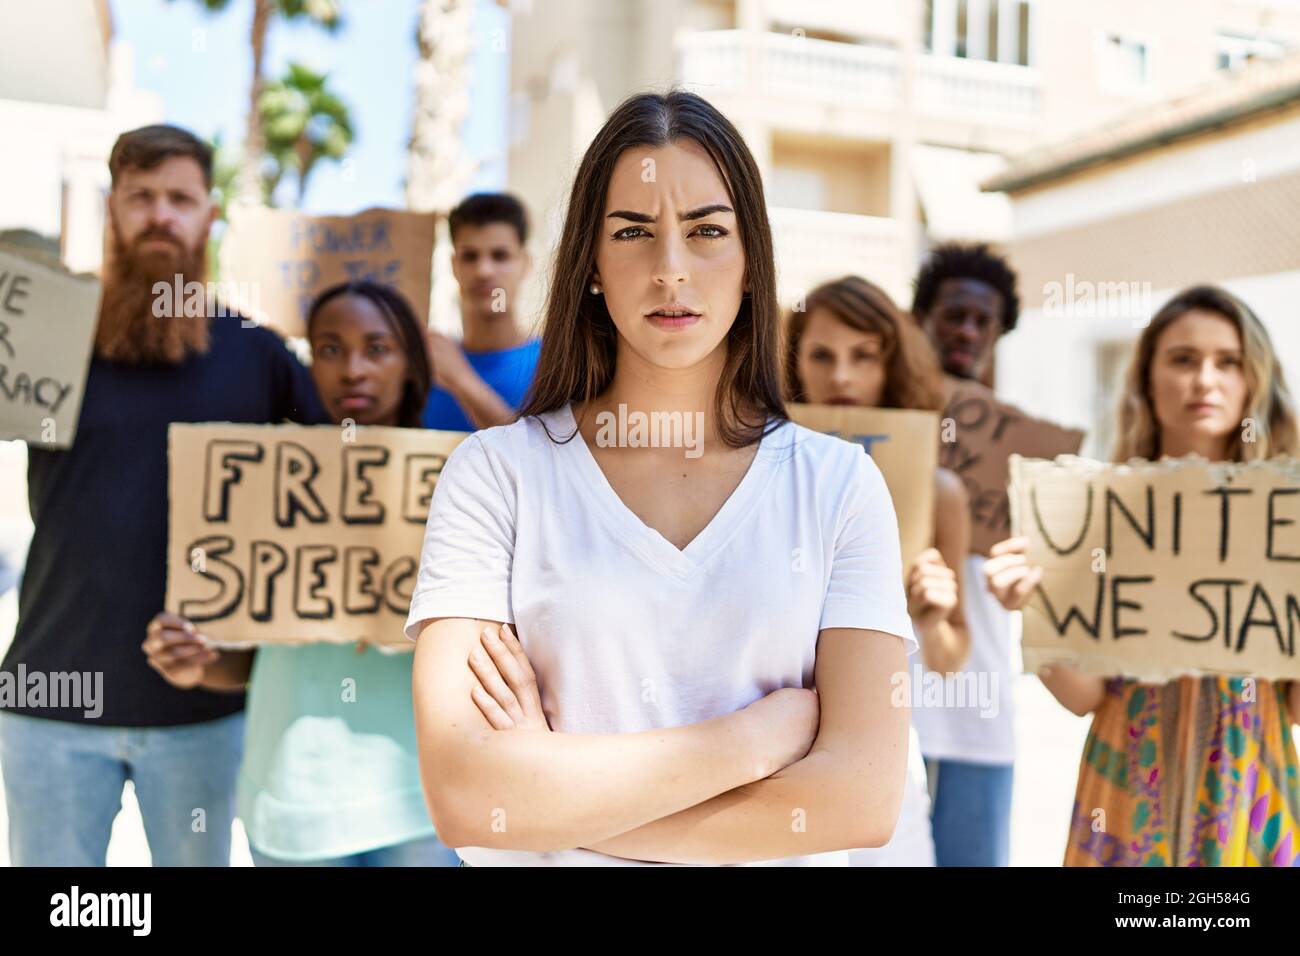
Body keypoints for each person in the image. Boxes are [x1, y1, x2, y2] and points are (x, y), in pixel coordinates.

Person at [405, 90, 917, 867]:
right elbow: (467, 799)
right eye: (634, 233)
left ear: (751, 265)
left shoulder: (839, 485)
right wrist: (751, 741)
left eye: (708, 230)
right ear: (593, 267)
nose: (671, 269)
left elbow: (860, 799)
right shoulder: (495, 477)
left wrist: (551, 798)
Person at [0, 124, 323, 867]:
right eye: (140, 197)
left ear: (210, 216)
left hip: (202, 713)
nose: (160, 215)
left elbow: (333, 504)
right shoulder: (47, 341)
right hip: (50, 700)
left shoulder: (258, 353)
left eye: (180, 198)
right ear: (112, 210)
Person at [141, 281, 464, 867]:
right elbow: (249, 661)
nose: (354, 370)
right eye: (330, 349)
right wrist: (194, 662)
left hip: (421, 804)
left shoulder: (464, 483)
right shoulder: (266, 480)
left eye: (377, 348)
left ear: (410, 362)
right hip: (292, 804)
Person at [986, 285, 1300, 866]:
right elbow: (1084, 697)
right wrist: (1030, 609)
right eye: (1182, 359)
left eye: (1227, 361)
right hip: (1127, 792)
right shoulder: (1100, 512)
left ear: (1253, 378)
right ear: (1148, 381)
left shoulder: (1289, 519)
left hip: (1252, 792)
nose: (1205, 379)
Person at [786, 275, 973, 866]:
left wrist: (934, 615)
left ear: (891, 366)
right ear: (793, 364)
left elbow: (947, 660)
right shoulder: (751, 470)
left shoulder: (938, 491)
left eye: (863, 356)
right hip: (771, 749)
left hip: (882, 753)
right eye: (822, 355)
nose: (841, 375)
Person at [910, 241, 1022, 866]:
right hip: (889, 712)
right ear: (922, 316)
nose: (968, 330)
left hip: (980, 710)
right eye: (954, 313)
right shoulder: (879, 424)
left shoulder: (1021, 448)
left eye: (984, 320)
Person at [421, 193, 541, 431]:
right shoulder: (428, 364)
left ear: (525, 263)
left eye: (500, 256)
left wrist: (462, 381)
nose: (484, 271)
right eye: (470, 256)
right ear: (454, 265)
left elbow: (545, 460)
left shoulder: (559, 363)